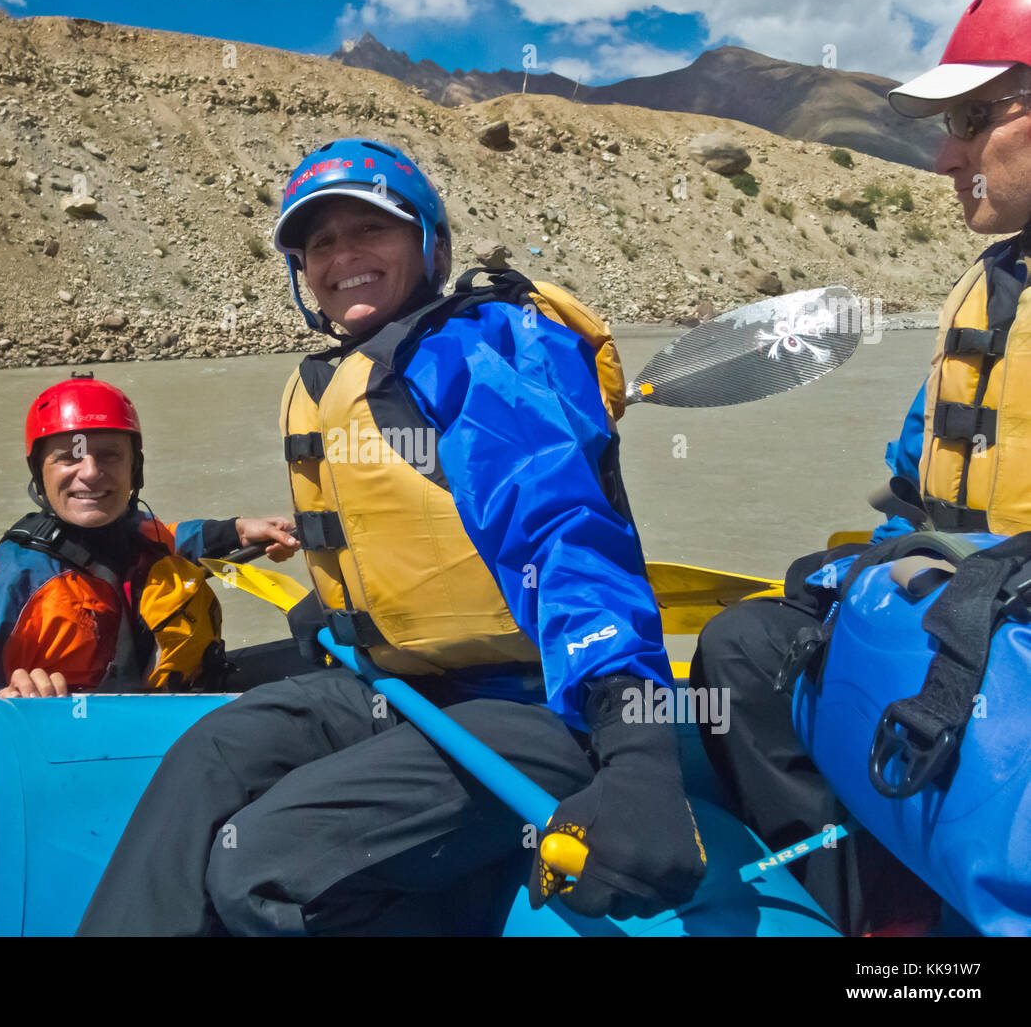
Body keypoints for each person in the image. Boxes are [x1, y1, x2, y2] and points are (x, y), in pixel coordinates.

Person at [78, 139, 705, 936]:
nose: (343, 257)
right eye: (320, 243)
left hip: (535, 710)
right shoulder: (346, 373)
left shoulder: (477, 349)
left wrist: (640, 753)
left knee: (260, 864)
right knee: (212, 756)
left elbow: (565, 537)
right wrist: (341, 611)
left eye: (370, 230)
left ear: (429, 244)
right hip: (392, 690)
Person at [690, 0, 1031, 936]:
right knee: (743, 645)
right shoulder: (999, 287)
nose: (941, 156)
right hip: (966, 614)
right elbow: (919, 475)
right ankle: (869, 923)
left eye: (972, 119)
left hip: (1009, 642)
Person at [0, 373, 297, 697]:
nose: (90, 472)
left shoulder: (144, 538)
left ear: (134, 470)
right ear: (40, 473)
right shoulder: (11, 578)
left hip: (184, 707)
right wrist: (5, 699)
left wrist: (240, 530)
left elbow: (183, 537)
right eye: (69, 458)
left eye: (109, 456)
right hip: (81, 746)